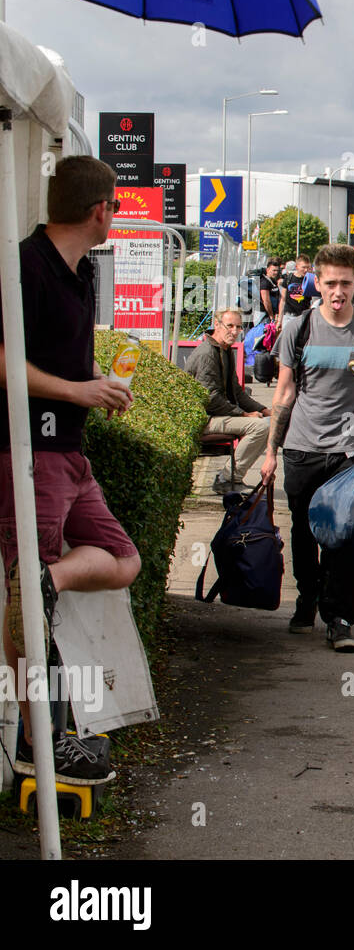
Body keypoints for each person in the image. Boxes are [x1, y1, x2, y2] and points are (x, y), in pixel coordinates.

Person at [0, 155, 142, 785]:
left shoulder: (81, 271)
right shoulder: (24, 265)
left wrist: (96, 385)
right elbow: (4, 363)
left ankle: (45, 581)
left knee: (123, 559)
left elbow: (56, 362)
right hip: (29, 451)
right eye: (115, 205)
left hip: (69, 453)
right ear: (100, 210)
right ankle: (38, 739)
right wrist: (79, 392)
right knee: (25, 615)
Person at [262, 244, 354, 652]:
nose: (338, 291)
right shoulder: (298, 328)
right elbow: (284, 394)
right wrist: (271, 451)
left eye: (346, 283)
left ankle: (339, 618)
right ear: (316, 284)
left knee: (343, 534)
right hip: (301, 448)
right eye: (330, 283)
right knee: (303, 533)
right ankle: (308, 599)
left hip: (348, 451)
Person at [185, 308, 272, 493]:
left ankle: (231, 477)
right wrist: (245, 414)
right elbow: (211, 399)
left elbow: (237, 393)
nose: (235, 331)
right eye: (230, 326)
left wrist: (264, 410)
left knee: (269, 421)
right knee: (260, 427)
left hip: (215, 415)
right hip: (202, 418)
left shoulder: (223, 350)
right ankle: (226, 478)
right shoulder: (207, 353)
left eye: (239, 327)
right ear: (216, 325)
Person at [259, 258, 282, 324]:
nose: (276, 273)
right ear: (267, 270)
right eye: (274, 270)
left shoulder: (272, 280)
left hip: (269, 314)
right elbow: (266, 301)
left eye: (277, 270)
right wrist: (271, 316)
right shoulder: (264, 282)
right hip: (263, 314)